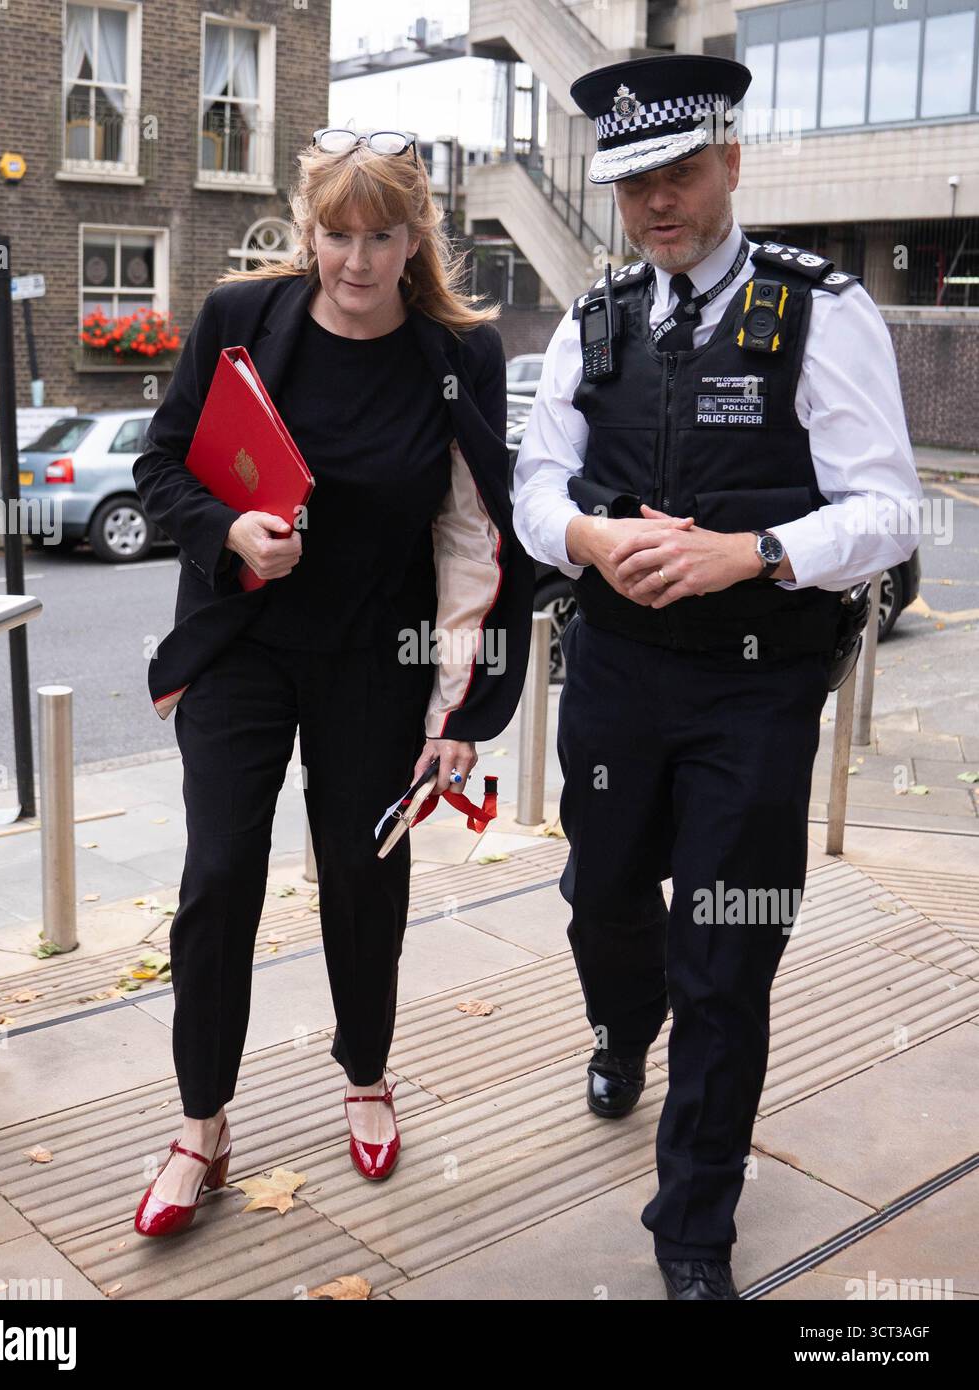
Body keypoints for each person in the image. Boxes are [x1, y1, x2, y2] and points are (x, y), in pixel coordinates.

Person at [513, 55, 923, 1299]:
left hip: (754, 690)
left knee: (728, 950)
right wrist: (585, 537)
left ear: (730, 163)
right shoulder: (594, 322)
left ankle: (693, 1229)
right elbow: (533, 487)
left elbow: (892, 509)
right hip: (617, 677)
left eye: (680, 173)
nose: (657, 205)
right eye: (634, 183)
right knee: (603, 896)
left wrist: (750, 553)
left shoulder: (821, 308)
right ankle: (619, 1023)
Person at [130, 127, 533, 1236]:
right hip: (242, 647)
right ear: (305, 229)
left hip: (378, 662)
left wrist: (461, 712)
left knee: (364, 881)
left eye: (381, 236)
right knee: (219, 874)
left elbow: (477, 536)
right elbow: (160, 469)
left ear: (417, 237)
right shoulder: (238, 320)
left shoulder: (460, 357)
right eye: (336, 234)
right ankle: (201, 1125)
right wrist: (228, 532)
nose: (355, 262)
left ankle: (365, 1071)